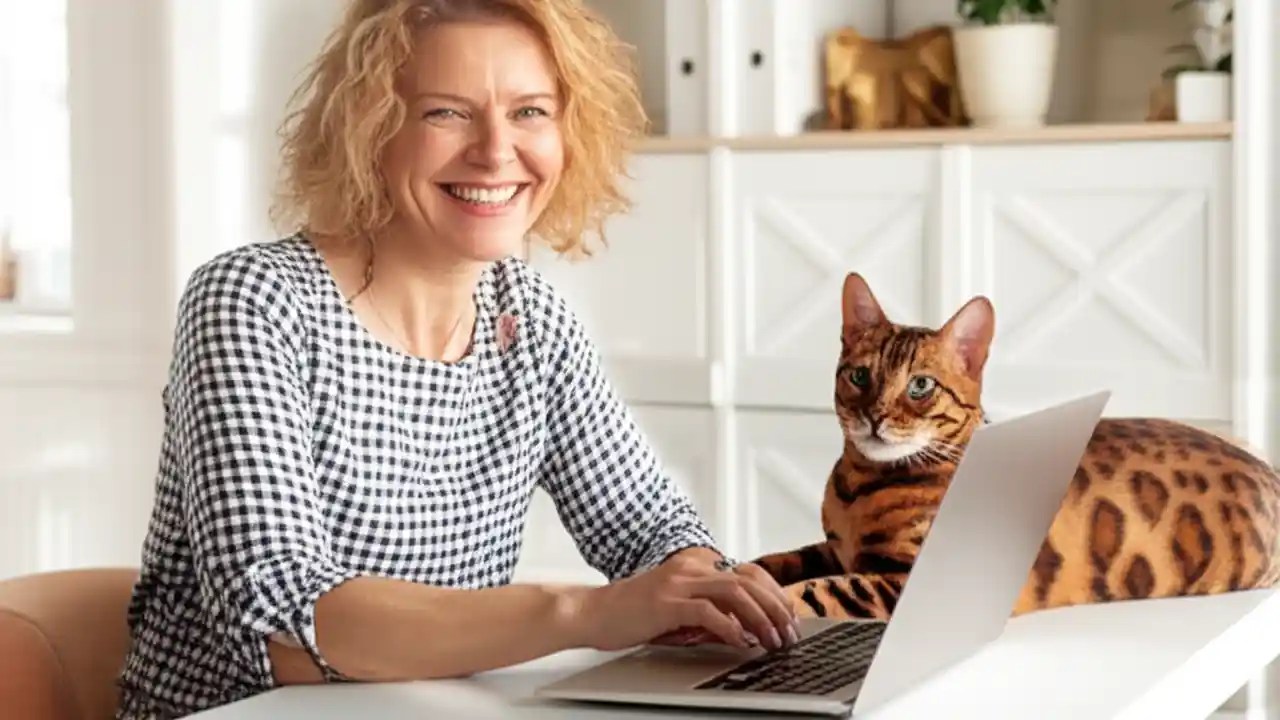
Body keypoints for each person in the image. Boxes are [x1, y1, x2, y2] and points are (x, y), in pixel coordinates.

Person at [115, 1, 798, 717]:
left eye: (531, 111)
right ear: (369, 130)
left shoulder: (532, 321)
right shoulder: (255, 303)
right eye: (447, 113)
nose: (497, 151)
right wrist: (585, 613)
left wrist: (696, 579)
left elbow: (650, 528)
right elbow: (284, 625)